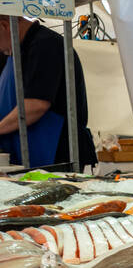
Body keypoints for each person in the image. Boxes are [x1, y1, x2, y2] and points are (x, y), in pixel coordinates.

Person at [0, 16, 95, 170]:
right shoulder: (11, 50)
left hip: (55, 155)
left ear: (4, 26)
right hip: (23, 154)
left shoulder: (46, 45)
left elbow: (35, 105)